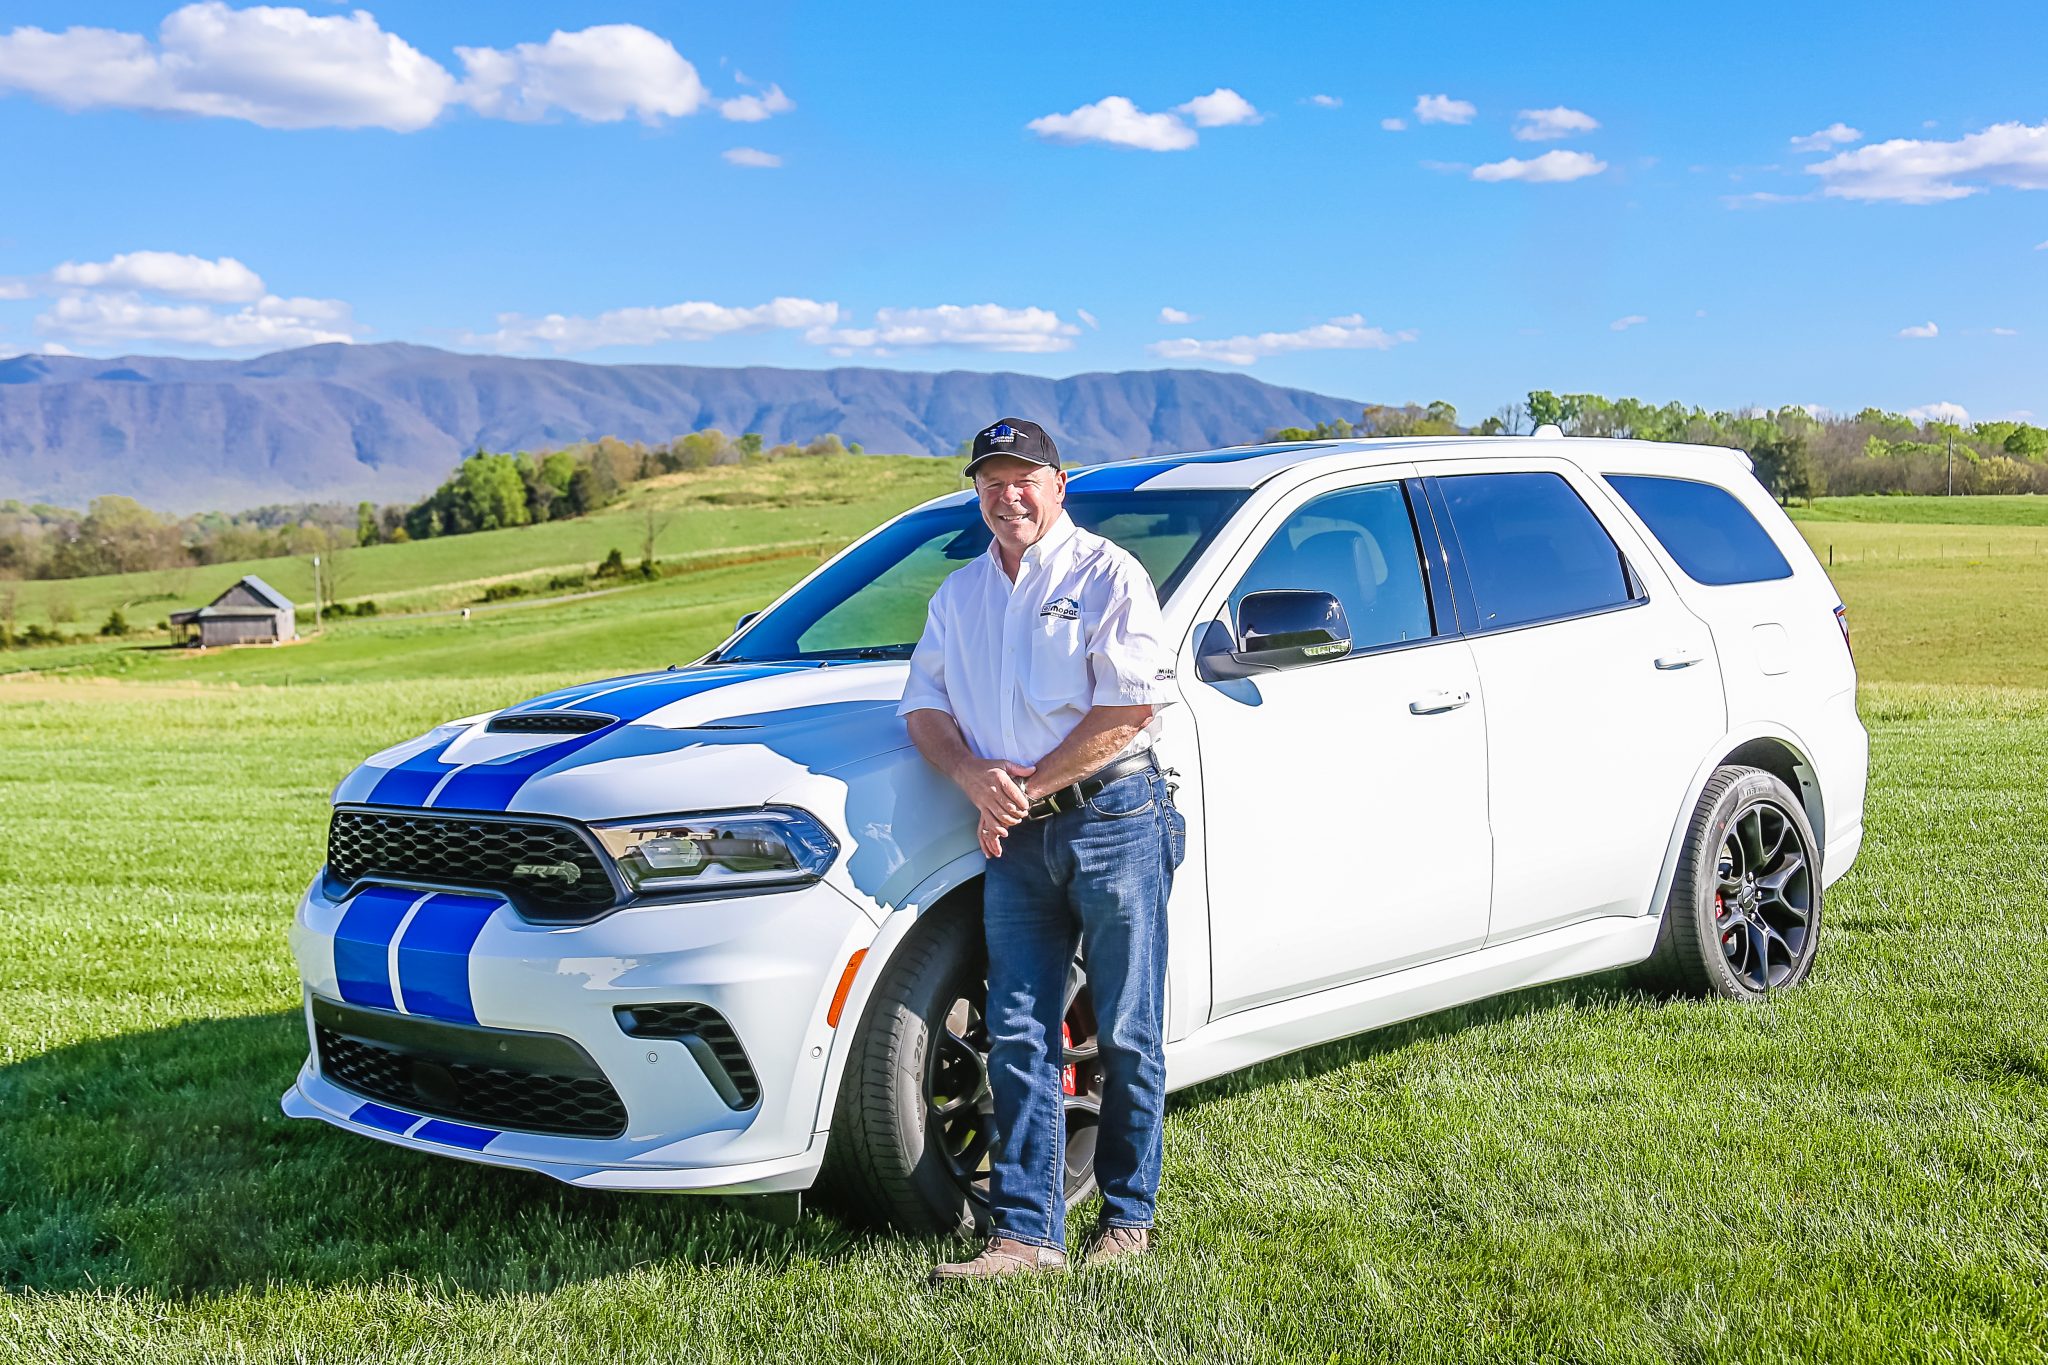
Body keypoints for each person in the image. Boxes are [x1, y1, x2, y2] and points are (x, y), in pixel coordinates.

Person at [898, 416, 1184, 1282]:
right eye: (991, 481)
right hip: (1019, 838)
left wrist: (1022, 785)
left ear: (1059, 485)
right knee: (1018, 1030)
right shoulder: (961, 596)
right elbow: (923, 707)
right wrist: (970, 772)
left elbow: (1131, 706)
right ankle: (1026, 1235)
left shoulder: (1107, 573)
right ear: (976, 493)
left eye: (1025, 477)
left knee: (1128, 1027)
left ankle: (1128, 1215)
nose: (1007, 494)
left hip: (1115, 818)